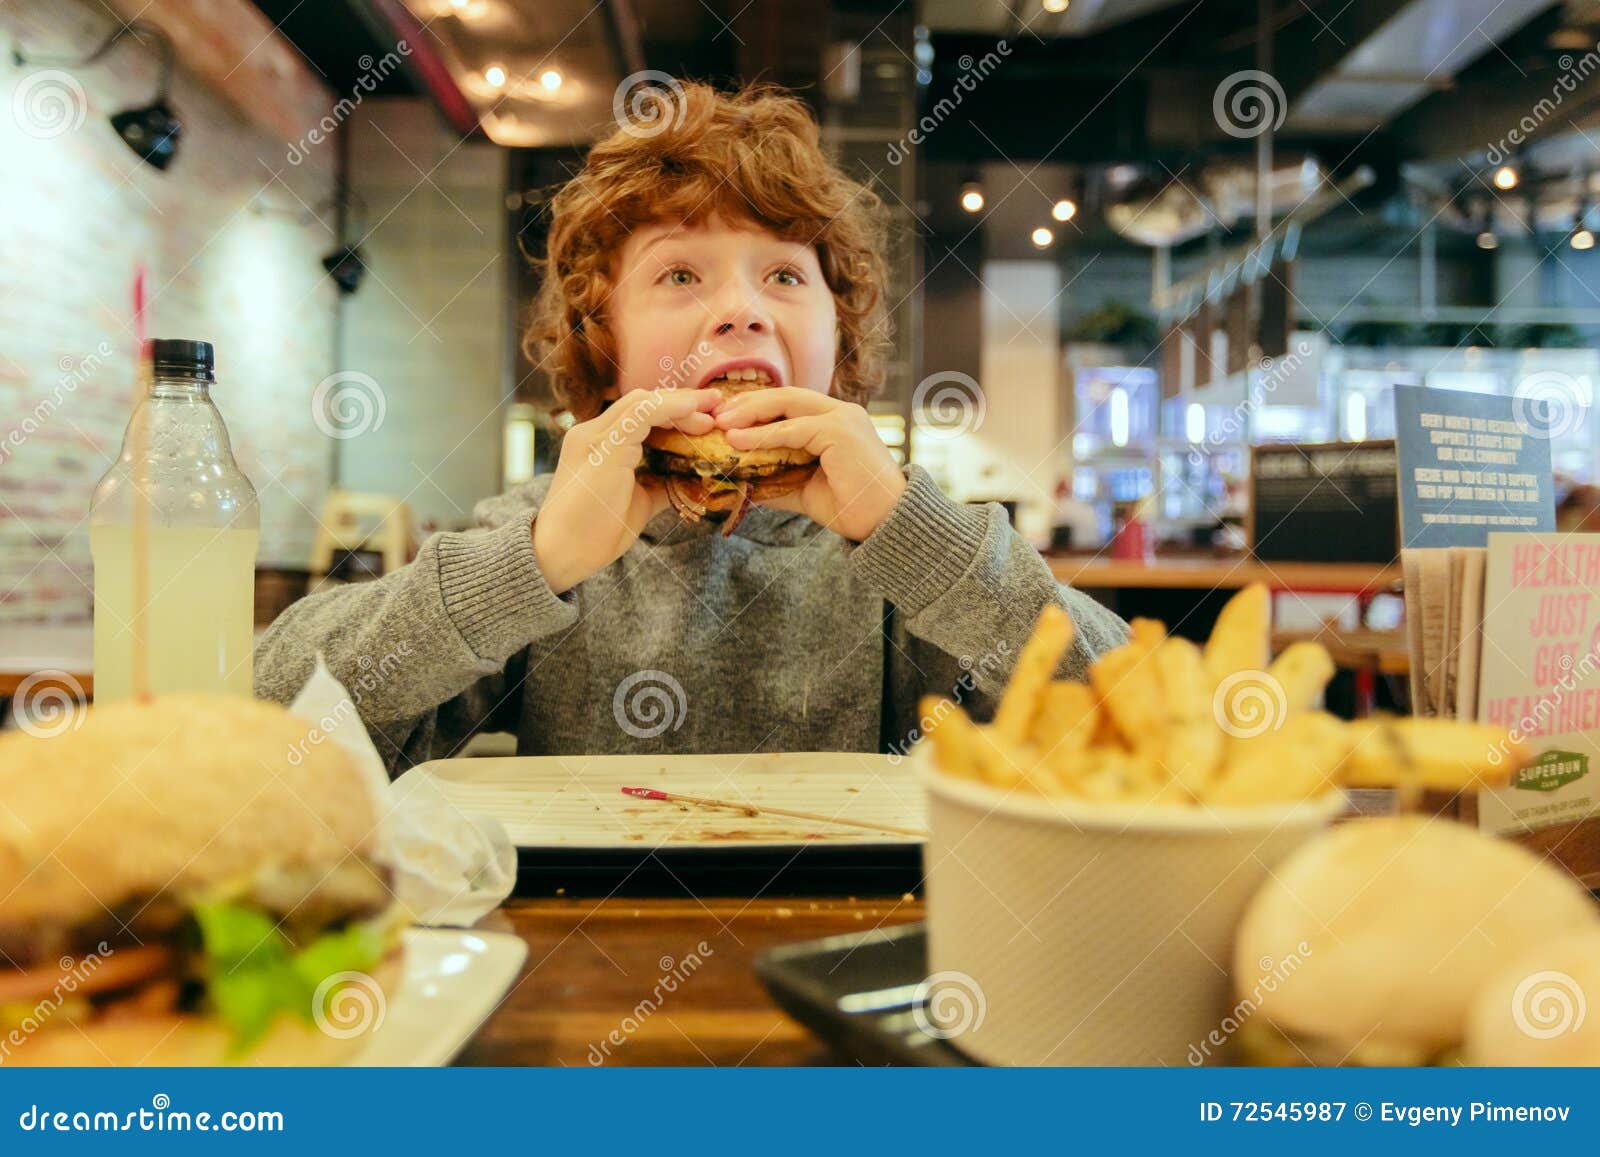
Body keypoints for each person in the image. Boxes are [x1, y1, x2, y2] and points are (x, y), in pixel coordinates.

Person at [254, 82, 1129, 775]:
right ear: (609, 344)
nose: (741, 310)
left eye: (785, 276)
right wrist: (534, 562)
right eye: (679, 274)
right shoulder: (542, 530)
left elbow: (1126, 719)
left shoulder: (905, 553)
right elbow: (268, 711)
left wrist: (917, 538)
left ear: (839, 341)